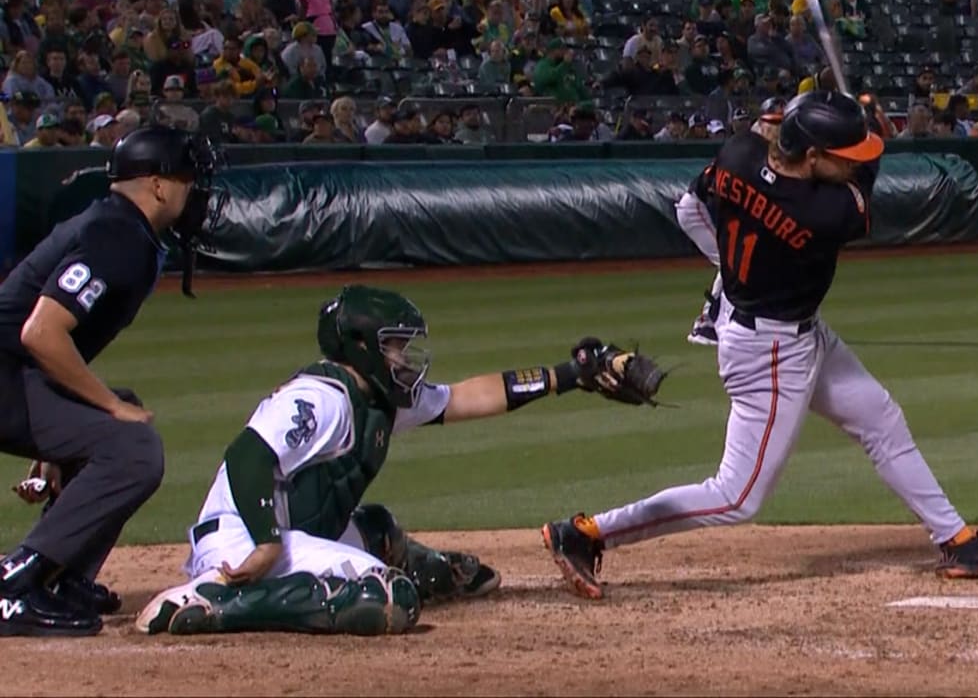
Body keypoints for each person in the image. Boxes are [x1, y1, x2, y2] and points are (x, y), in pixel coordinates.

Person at [541, 91, 978, 600]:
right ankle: (585, 532)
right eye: (842, 157)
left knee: (880, 419)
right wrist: (868, 136)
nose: (852, 164)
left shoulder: (739, 152)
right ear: (809, 158)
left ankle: (955, 539)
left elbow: (691, 207)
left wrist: (731, 273)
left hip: (788, 328)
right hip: (772, 353)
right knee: (736, 496)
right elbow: (862, 189)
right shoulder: (821, 212)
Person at [134, 286, 662, 636]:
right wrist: (267, 547)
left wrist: (570, 375)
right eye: (394, 348)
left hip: (290, 533)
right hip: (242, 543)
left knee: (378, 528)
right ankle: (210, 605)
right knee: (389, 600)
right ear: (361, 346)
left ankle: (431, 571)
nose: (404, 359)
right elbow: (248, 454)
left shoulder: (379, 398)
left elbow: (466, 397)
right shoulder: (322, 397)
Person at [0, 127, 221, 637]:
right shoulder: (118, 234)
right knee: (131, 444)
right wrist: (104, 407)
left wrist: (67, 431)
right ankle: (16, 583)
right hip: (8, 375)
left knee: (119, 411)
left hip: (14, 375)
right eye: (190, 180)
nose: (197, 193)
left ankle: (62, 575)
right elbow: (42, 332)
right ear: (159, 185)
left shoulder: (121, 226)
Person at [677, 97, 786, 347]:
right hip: (696, 207)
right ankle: (706, 323)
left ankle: (715, 320)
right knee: (731, 262)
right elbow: (718, 193)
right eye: (773, 121)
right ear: (762, 121)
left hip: (704, 205)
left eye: (781, 121)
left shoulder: (765, 148)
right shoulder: (749, 147)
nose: (777, 127)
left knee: (735, 262)